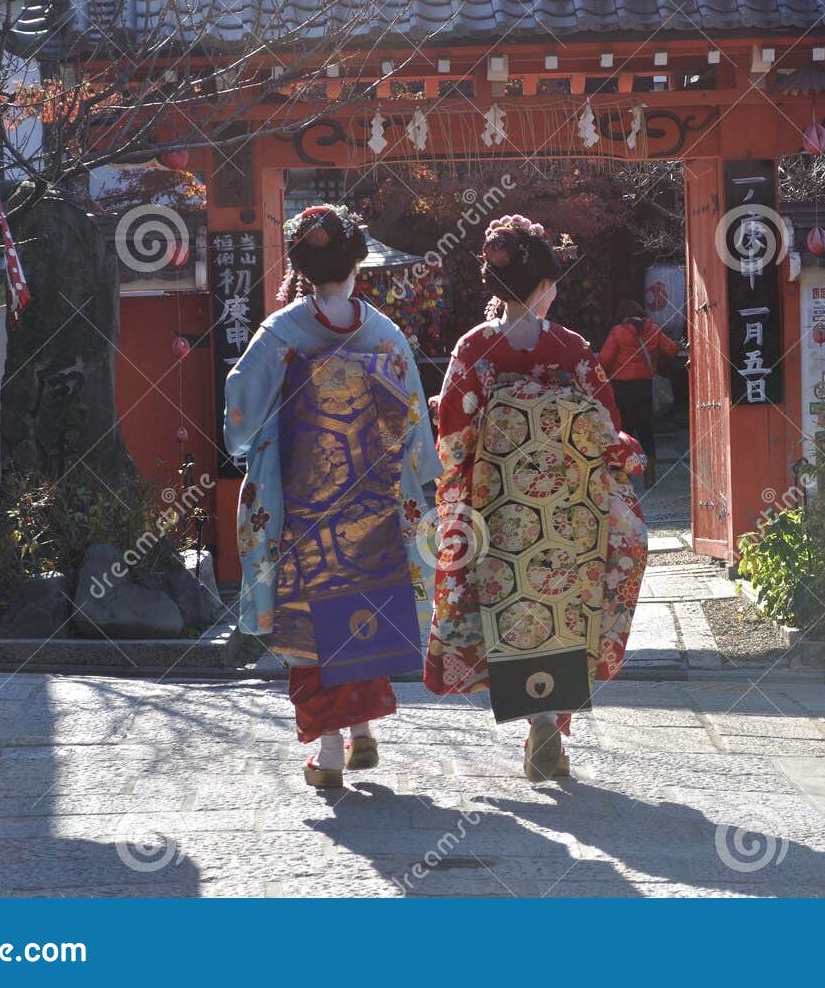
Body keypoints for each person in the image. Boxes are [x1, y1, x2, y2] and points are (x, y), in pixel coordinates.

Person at [224, 204, 440, 791]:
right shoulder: (385, 334)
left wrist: (256, 439)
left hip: (302, 502)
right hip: (373, 501)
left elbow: (240, 409)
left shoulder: (283, 333)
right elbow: (415, 423)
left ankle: (330, 751)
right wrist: (420, 476)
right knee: (363, 605)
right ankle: (364, 731)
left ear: (299, 265)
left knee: (309, 622)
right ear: (358, 260)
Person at [425, 216, 648, 781]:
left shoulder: (474, 347)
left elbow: (452, 436)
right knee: (563, 603)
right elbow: (608, 426)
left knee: (510, 603)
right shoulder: (570, 349)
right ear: (544, 285)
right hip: (570, 511)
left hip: (497, 509)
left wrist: (471, 476)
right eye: (553, 283)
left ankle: (540, 722)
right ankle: (547, 724)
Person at [598, 299, 679, 487]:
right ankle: (650, 474)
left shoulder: (618, 331)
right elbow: (672, 349)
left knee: (623, 430)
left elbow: (604, 359)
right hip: (645, 386)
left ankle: (622, 475)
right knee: (646, 430)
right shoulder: (654, 329)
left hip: (622, 388)